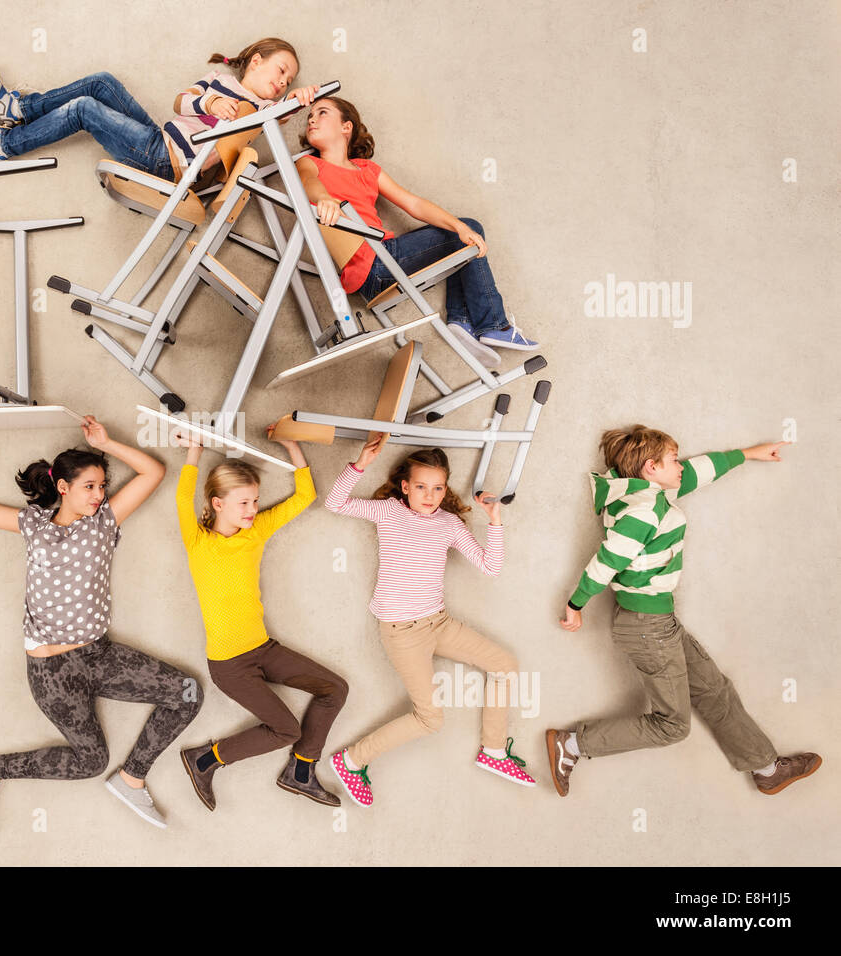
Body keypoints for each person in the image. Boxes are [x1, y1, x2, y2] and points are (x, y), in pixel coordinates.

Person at [0, 416, 200, 830]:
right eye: (90, 486)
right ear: (62, 488)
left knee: (188, 694)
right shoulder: (32, 524)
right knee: (90, 761)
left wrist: (107, 441)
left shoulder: (105, 521)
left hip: (98, 655)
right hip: (51, 671)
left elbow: (153, 472)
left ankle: (132, 778)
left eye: (103, 486)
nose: (99, 494)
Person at [548, 425, 821, 797]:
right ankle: (574, 744)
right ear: (650, 467)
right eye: (672, 460)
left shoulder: (635, 490)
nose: (680, 467)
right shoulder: (643, 510)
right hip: (646, 628)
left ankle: (767, 768)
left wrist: (751, 453)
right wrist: (575, 603)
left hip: (658, 622)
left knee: (714, 690)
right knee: (673, 726)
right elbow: (607, 559)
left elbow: (695, 472)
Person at [324, 436, 535, 808]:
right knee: (430, 719)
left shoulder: (450, 524)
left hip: (438, 623)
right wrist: (359, 464)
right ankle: (351, 759)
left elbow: (491, 566)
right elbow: (335, 502)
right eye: (421, 486)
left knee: (505, 665)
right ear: (405, 487)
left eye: (437, 488)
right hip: (402, 633)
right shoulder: (389, 511)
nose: (429, 495)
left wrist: (496, 522)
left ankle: (494, 751)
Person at [175, 431, 348, 810]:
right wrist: (193, 451)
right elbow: (182, 497)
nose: (252, 509)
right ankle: (204, 759)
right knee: (286, 729)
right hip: (230, 666)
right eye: (243, 503)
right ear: (217, 503)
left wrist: (291, 446)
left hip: (264, 650)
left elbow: (305, 497)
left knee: (335, 689)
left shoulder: (256, 532)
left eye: (254, 500)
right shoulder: (199, 543)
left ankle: (300, 771)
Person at [297, 96, 537, 368]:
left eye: (322, 113)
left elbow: (413, 204)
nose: (312, 119)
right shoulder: (310, 163)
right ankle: (493, 324)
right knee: (471, 229)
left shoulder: (367, 170)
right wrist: (324, 199)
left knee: (464, 232)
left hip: (383, 261)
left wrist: (459, 227)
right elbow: (308, 182)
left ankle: (462, 323)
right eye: (310, 116)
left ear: (346, 127)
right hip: (376, 262)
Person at [0, 38, 318, 182]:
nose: (284, 81)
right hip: (159, 139)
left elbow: (283, 110)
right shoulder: (217, 79)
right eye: (281, 70)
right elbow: (180, 102)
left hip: (169, 163)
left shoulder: (262, 110)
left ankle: (2, 147)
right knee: (101, 83)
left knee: (84, 109)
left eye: (289, 80)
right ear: (256, 62)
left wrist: (300, 98)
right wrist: (209, 101)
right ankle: (18, 108)